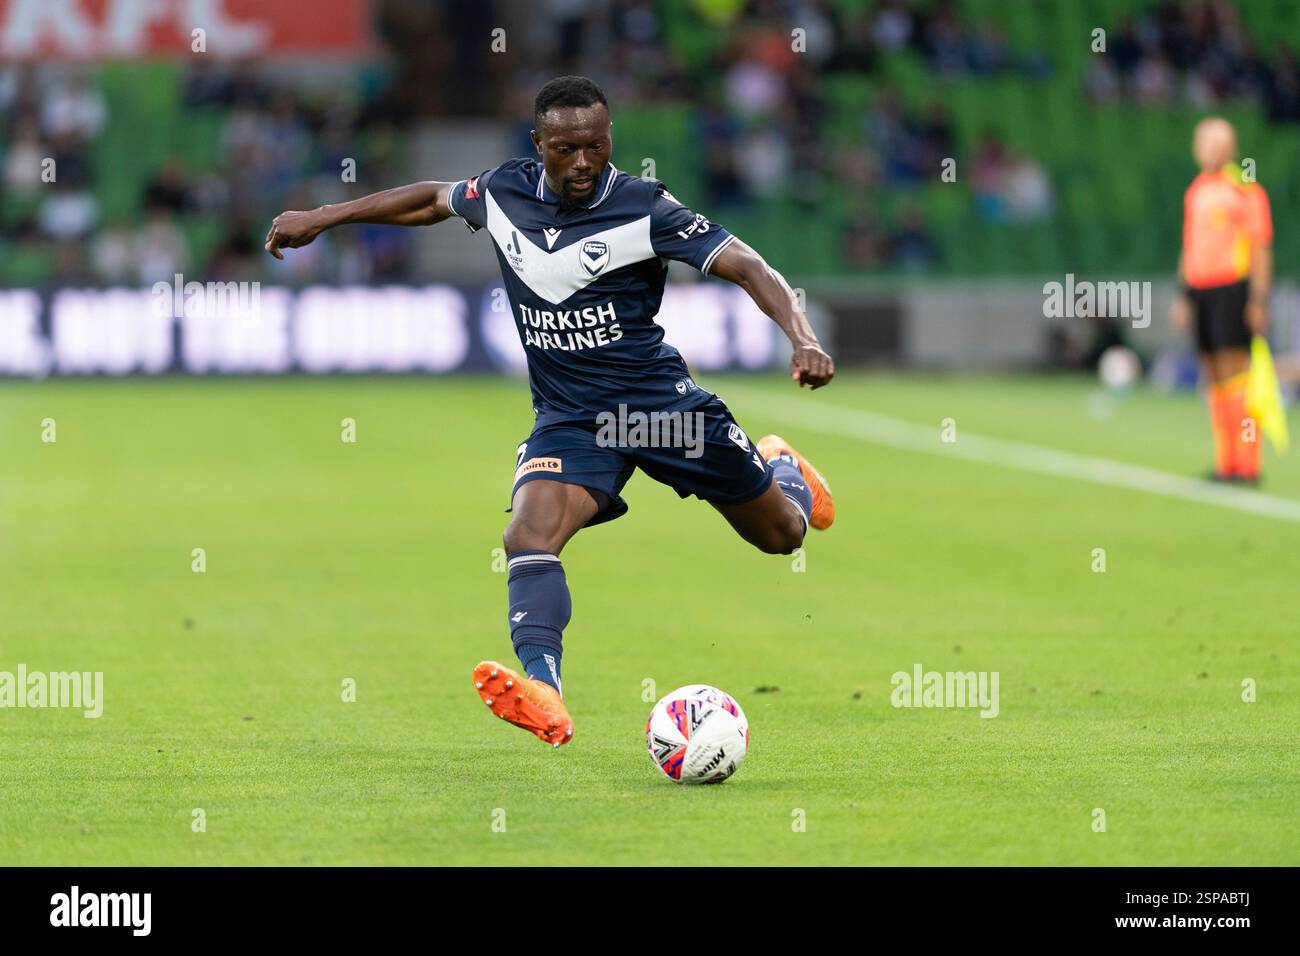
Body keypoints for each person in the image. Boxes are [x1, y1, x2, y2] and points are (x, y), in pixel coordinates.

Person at [265, 76, 835, 747]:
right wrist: (323, 216)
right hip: (569, 417)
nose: (585, 161)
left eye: (596, 145)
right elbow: (429, 200)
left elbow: (748, 266)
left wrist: (802, 337)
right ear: (540, 145)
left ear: (610, 139)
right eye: (567, 148)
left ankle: (781, 465)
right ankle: (545, 690)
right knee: (527, 536)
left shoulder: (645, 207)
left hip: (660, 411)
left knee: (783, 536)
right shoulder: (503, 193)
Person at [1170, 117, 1272, 484]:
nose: (1212, 149)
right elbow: (1190, 246)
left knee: (1238, 376)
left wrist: (1258, 300)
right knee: (1213, 376)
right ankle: (1225, 460)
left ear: (1232, 148)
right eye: (1206, 142)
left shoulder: (1244, 187)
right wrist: (1183, 296)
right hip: (1201, 291)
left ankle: (1249, 462)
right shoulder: (1195, 190)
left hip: (1233, 289)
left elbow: (1260, 247)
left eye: (1219, 142)